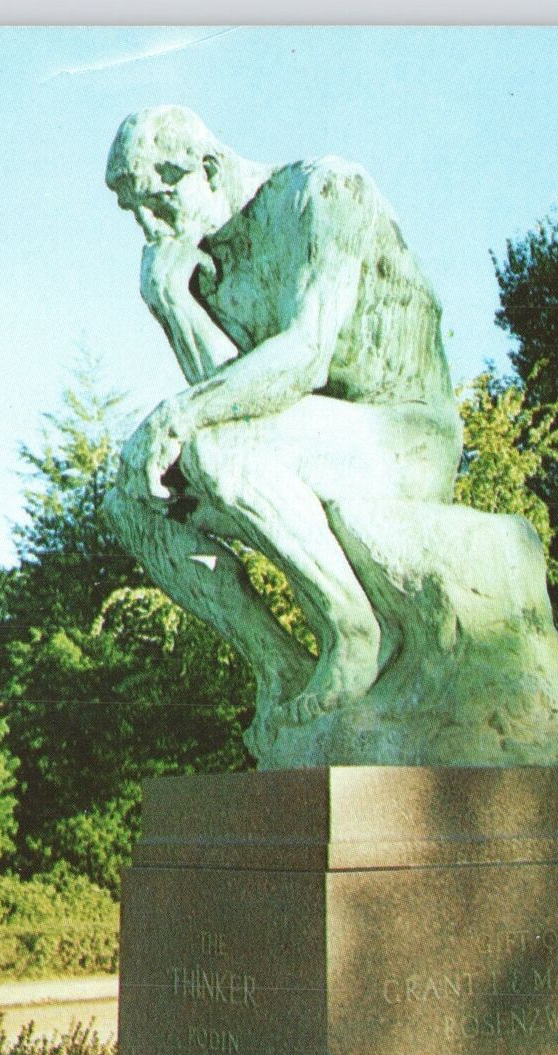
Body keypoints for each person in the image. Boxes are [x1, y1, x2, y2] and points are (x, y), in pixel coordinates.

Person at [103, 106, 463, 730]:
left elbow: (304, 354)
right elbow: (234, 396)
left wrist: (177, 417)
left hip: (403, 435)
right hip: (313, 443)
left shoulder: (324, 191)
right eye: (134, 213)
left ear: (207, 169)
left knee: (216, 450)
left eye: (158, 203)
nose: (149, 227)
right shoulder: (206, 264)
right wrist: (173, 305)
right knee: (130, 505)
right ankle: (278, 664)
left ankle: (355, 629)